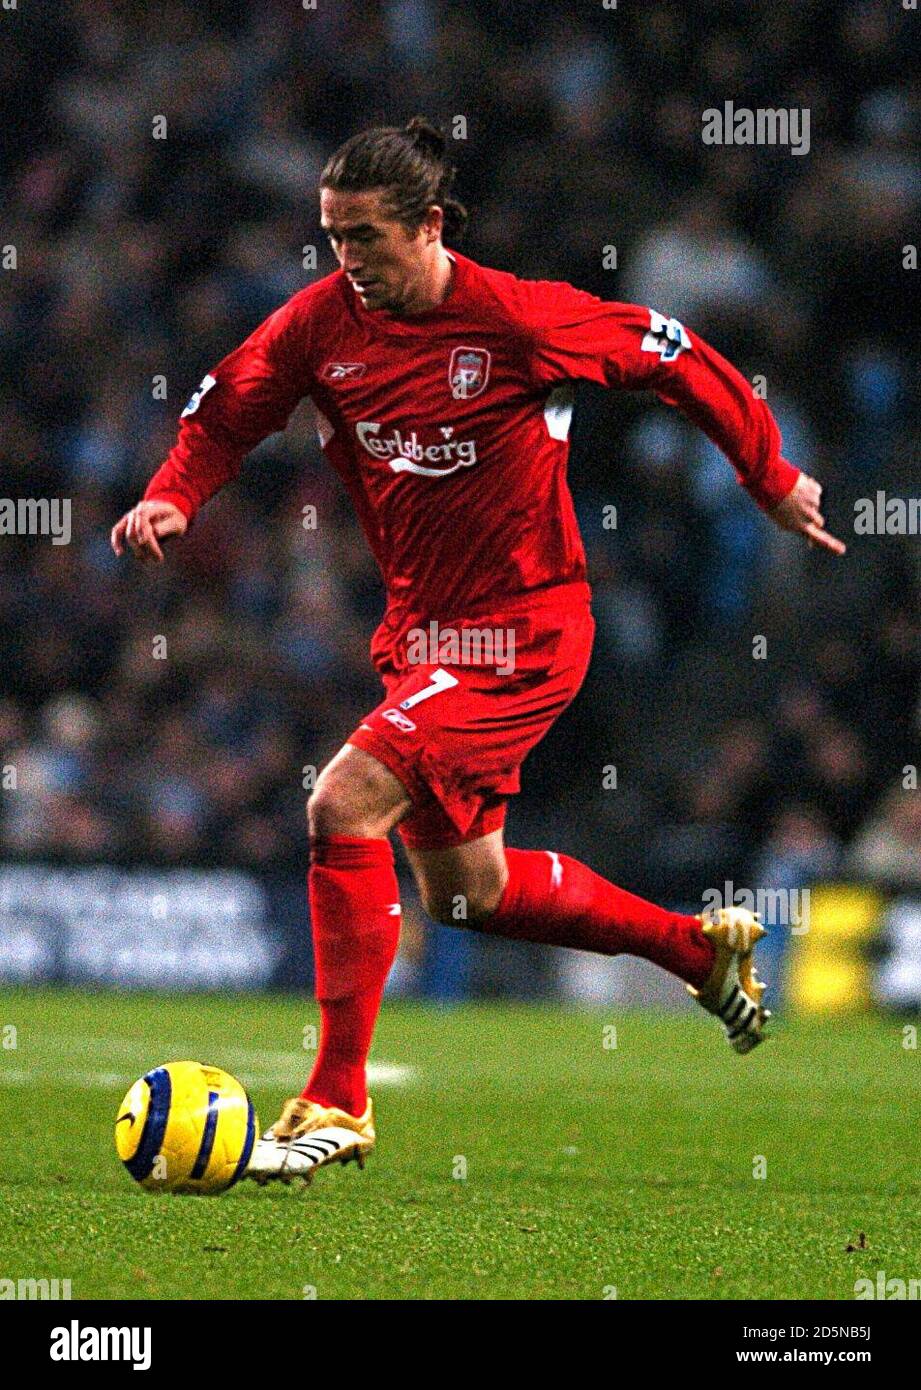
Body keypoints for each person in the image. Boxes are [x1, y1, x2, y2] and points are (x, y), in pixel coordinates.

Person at [111, 117, 846, 1183]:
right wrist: (172, 496)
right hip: (421, 642)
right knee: (471, 892)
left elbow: (676, 355)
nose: (348, 261)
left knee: (341, 803)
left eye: (366, 237)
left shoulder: (515, 319)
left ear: (432, 224)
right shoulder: (324, 325)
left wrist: (769, 475)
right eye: (333, 238)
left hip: (523, 630)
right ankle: (697, 949)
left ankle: (336, 1100)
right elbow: (228, 410)